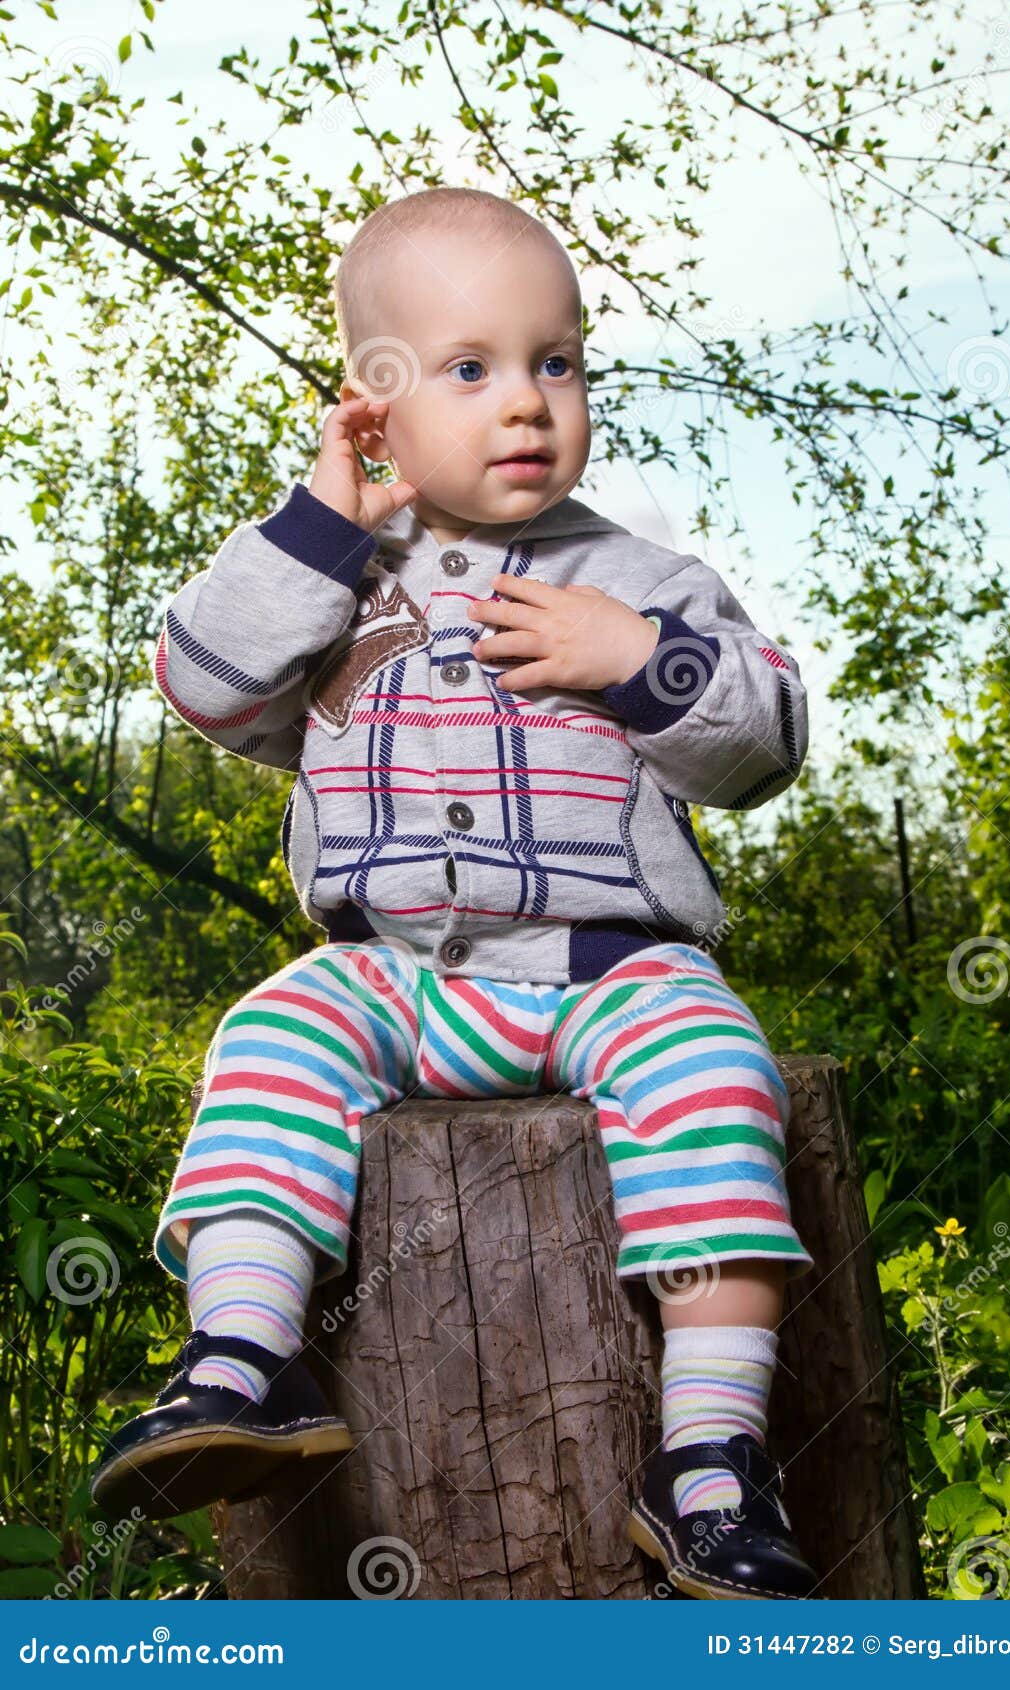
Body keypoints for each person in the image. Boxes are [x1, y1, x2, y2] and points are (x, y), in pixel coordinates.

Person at [91, 187, 817, 1600]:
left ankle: (712, 1460)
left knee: (720, 1073)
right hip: (397, 974)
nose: (530, 403)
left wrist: (638, 656)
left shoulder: (644, 579)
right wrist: (315, 523)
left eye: (559, 362)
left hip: (612, 969)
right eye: (473, 369)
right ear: (372, 404)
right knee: (272, 1031)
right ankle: (243, 1358)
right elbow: (199, 682)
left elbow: (766, 740)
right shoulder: (329, 579)